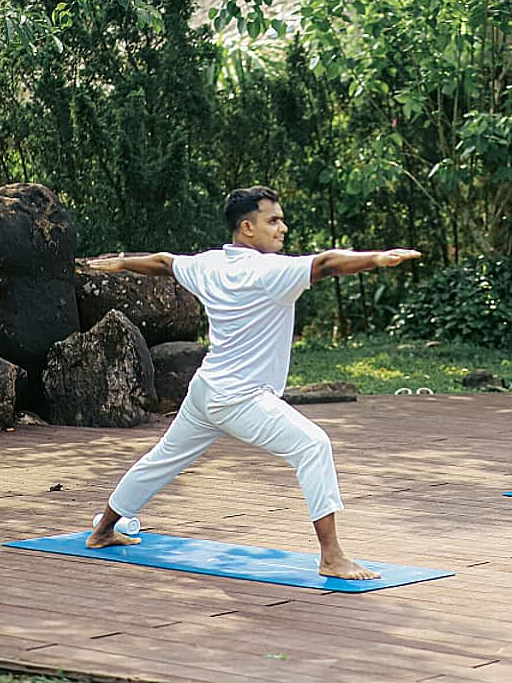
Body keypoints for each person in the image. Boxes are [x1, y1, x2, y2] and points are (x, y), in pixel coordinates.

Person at [85, 186, 419, 580]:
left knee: (162, 459)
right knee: (313, 445)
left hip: (207, 390)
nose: (283, 227)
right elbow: (328, 263)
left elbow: (162, 262)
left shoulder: (209, 264)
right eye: (273, 220)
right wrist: (377, 258)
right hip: (241, 397)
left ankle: (104, 529)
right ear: (247, 227)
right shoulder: (270, 272)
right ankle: (331, 556)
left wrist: (120, 263)